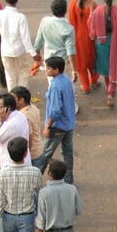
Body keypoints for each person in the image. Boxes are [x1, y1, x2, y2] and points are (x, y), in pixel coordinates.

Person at [38, 56, 76, 184]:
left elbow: (55, 110)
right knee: (67, 153)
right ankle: (68, 179)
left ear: (56, 70)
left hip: (57, 125)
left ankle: (34, 181)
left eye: (48, 68)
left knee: (45, 154)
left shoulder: (55, 86)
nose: (46, 70)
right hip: (68, 123)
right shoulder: (66, 80)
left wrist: (48, 127)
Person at [0, 0, 35, 93]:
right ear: (17, 1)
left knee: (10, 76)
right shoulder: (21, 17)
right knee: (23, 72)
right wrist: (33, 53)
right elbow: (25, 38)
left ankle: (12, 99)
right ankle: (22, 97)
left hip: (5, 50)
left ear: (5, 1)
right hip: (19, 50)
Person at [88, 0, 117, 106]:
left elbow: (91, 30)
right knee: (113, 66)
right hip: (114, 42)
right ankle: (111, 92)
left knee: (106, 68)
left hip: (101, 43)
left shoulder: (97, 11)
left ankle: (108, 88)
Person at [67, 0, 99, 95]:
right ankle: (94, 80)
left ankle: (85, 86)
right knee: (93, 61)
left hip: (76, 38)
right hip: (90, 39)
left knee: (81, 63)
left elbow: (71, 23)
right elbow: (94, 24)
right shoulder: (93, 5)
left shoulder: (72, 4)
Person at [0, 93, 31, 167]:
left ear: (7, 109)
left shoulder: (9, 124)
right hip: (24, 161)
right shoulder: (20, 115)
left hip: (11, 164)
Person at [13, 86, 43, 168]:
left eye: (13, 99)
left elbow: (29, 138)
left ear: (21, 100)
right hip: (39, 149)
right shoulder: (33, 107)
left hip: (32, 154)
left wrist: (26, 157)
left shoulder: (23, 116)